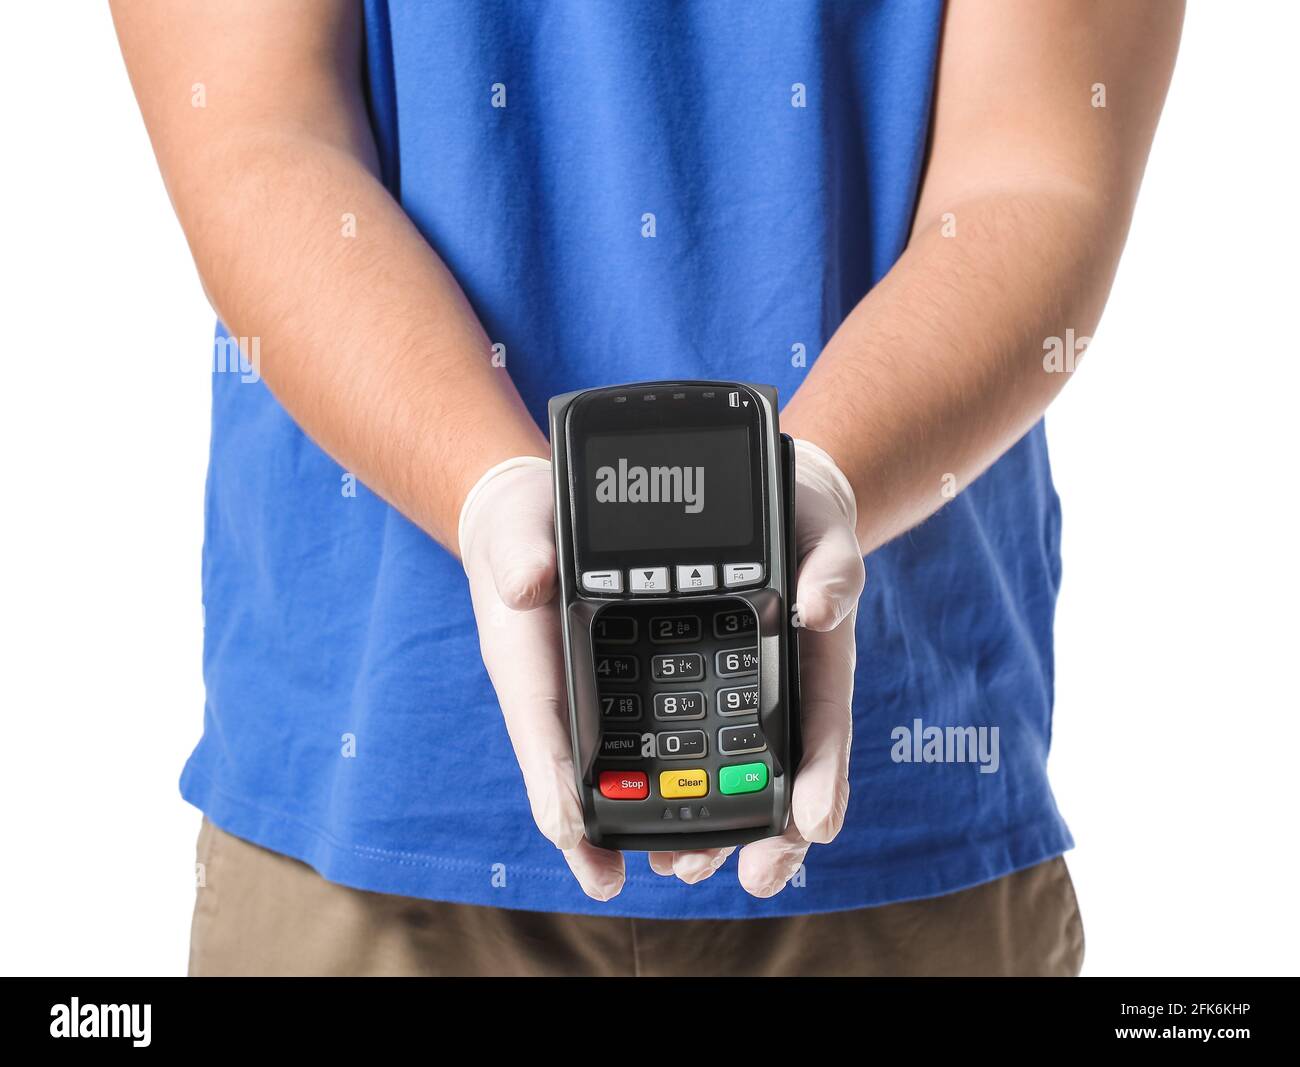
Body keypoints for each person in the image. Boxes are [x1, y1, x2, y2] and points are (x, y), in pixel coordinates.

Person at [111, 0, 1183, 976]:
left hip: (895, 814)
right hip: (372, 800)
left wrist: (813, 483)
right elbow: (254, 132)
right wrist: (481, 488)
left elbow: (1038, 172)